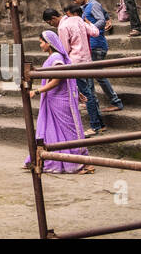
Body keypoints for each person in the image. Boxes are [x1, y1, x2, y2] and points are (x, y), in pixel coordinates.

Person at [25, 30, 92, 173]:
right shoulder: (54, 57)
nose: (40, 45)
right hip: (55, 99)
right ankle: (53, 159)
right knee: (53, 129)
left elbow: (58, 78)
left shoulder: (56, 57)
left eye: (41, 42)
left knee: (68, 131)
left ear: (48, 44)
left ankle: (77, 162)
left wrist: (38, 91)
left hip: (59, 100)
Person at [75, 0, 124, 118]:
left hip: (97, 45)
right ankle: (91, 101)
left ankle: (115, 102)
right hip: (92, 45)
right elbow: (105, 15)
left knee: (97, 76)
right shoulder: (85, 7)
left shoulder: (93, 5)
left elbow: (101, 20)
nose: (75, 2)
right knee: (95, 75)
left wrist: (89, 29)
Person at [52, 2, 102, 136]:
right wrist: (89, 22)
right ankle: (100, 124)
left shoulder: (64, 25)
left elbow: (64, 48)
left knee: (86, 94)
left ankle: (95, 126)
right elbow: (96, 32)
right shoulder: (80, 20)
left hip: (75, 62)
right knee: (91, 92)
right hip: (87, 61)